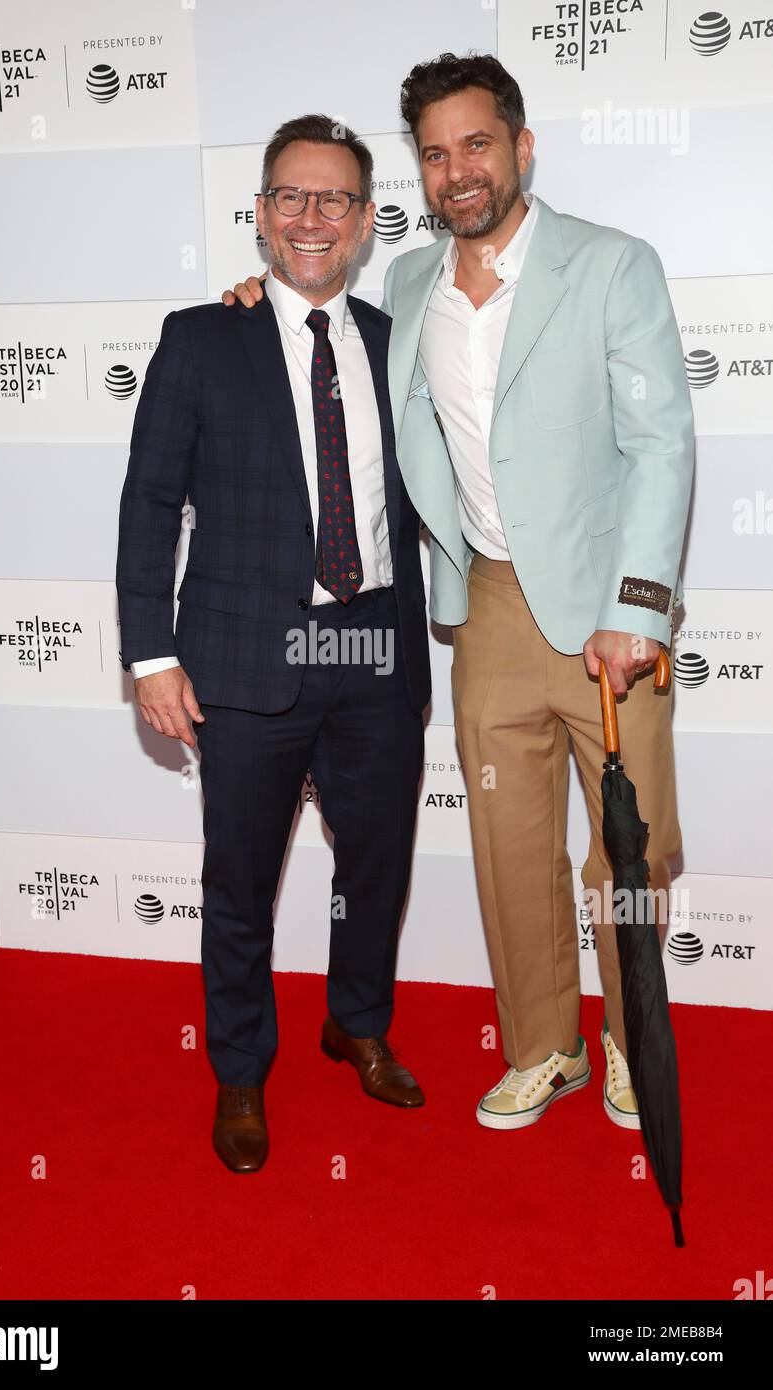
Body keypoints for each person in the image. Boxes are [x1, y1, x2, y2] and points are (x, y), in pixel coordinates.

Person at [222, 53, 694, 1133]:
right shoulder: (403, 285)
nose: (456, 171)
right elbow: (318, 354)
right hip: (483, 603)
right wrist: (251, 306)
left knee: (627, 849)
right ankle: (542, 1048)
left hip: (605, 617)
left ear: (521, 148)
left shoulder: (611, 265)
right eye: (434, 154)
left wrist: (633, 608)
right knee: (508, 847)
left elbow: (661, 444)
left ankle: (629, 1044)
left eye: (476, 144)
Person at [116, 114, 431, 1174]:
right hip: (248, 659)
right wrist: (149, 653)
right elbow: (149, 502)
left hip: (375, 653)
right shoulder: (200, 338)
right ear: (259, 214)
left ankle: (355, 1022)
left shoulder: (398, 344)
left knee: (376, 862)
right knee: (240, 880)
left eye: (333, 199)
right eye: (290, 197)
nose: (310, 218)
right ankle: (241, 1073)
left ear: (364, 221)